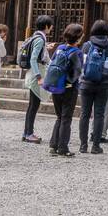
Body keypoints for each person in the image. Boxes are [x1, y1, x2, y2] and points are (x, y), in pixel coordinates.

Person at [78, 20, 108, 154]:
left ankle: (83, 145)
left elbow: (81, 64)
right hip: (103, 84)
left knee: (84, 113)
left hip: (86, 83)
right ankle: (96, 146)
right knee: (99, 114)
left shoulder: (86, 46)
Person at [44, 24, 83, 158]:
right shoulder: (77, 52)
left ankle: (53, 145)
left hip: (55, 85)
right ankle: (63, 147)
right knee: (66, 118)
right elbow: (77, 71)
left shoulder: (59, 48)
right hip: (69, 88)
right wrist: (70, 82)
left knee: (59, 117)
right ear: (78, 38)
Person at [20, 15, 54, 143]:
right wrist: (39, 77)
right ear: (46, 26)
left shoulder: (36, 37)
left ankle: (26, 132)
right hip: (36, 75)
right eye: (50, 25)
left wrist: (46, 48)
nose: (51, 28)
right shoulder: (40, 39)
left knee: (32, 106)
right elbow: (33, 59)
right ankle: (29, 133)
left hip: (33, 73)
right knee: (34, 106)